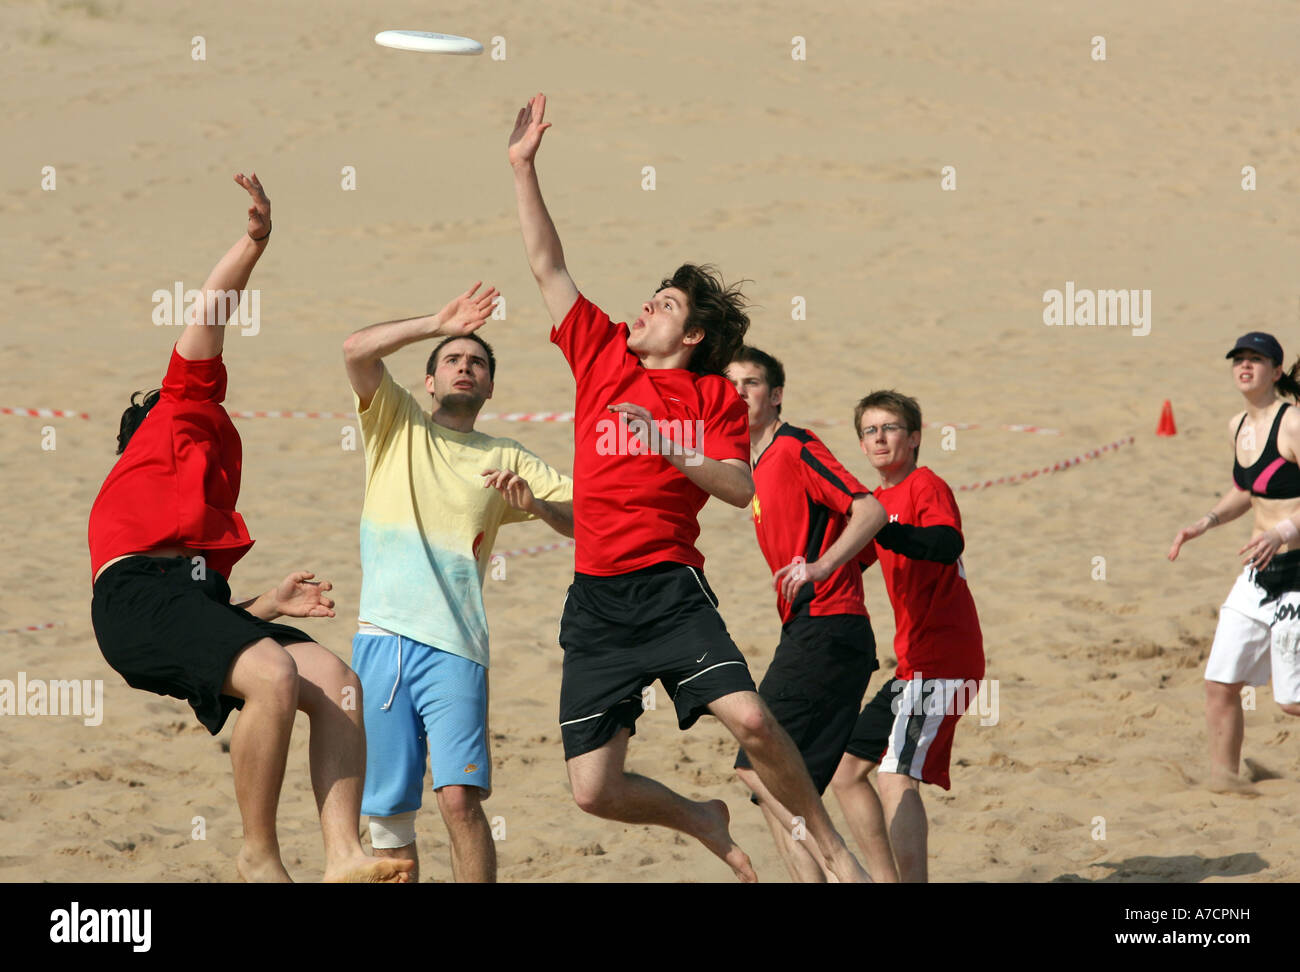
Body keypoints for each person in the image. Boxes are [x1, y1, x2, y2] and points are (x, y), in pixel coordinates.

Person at [509, 91, 871, 882]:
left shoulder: (710, 397)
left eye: (664, 305)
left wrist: (672, 449)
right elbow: (547, 264)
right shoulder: (601, 354)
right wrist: (522, 168)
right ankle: (702, 817)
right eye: (649, 298)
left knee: (752, 721)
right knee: (593, 790)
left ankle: (834, 855)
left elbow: (739, 488)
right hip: (595, 603)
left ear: (694, 335)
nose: (644, 308)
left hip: (670, 591)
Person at [88, 173, 411, 883]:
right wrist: (253, 242)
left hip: (181, 601)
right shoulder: (175, 411)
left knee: (333, 679)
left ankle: (343, 855)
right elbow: (211, 309)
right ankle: (258, 855)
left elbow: (198, 619)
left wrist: (263, 606)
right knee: (273, 673)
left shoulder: (201, 468)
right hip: (134, 596)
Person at [342, 284, 574, 882]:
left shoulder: (507, 455)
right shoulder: (396, 424)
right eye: (452, 359)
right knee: (388, 816)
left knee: (458, 801)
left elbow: (587, 518)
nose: (464, 367)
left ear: (491, 386)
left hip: (457, 649)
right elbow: (356, 352)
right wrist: (435, 320)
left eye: (476, 363)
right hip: (382, 641)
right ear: (429, 381)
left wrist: (540, 508)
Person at [725, 346, 897, 882]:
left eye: (751, 384)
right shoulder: (750, 466)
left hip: (829, 629)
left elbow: (870, 510)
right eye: (730, 385)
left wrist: (823, 568)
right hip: (809, 628)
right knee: (778, 789)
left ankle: (851, 873)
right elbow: (863, 543)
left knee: (756, 769)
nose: (739, 393)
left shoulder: (795, 446)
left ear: (775, 395)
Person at [830, 390, 985, 883]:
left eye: (891, 427)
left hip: (944, 657)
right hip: (910, 663)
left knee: (895, 775)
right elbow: (851, 560)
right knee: (846, 772)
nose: (879, 437)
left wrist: (884, 530)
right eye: (870, 430)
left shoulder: (924, 485)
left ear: (914, 438)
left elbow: (945, 542)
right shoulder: (878, 503)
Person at [1169, 332, 1300, 791]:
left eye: (1257, 360)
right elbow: (1248, 489)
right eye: (1239, 360)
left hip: (1298, 573)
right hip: (1258, 574)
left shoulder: (1294, 425)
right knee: (1220, 683)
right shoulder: (1238, 427)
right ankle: (1224, 783)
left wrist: (1283, 533)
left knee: (1291, 703)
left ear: (1277, 371)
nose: (1245, 367)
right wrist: (1204, 522)